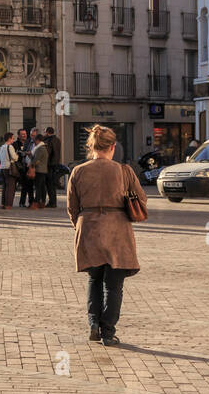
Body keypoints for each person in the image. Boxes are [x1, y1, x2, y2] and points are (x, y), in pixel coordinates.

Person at [67, 124, 146, 346]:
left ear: (90, 146)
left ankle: (93, 322)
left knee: (94, 279)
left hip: (88, 227)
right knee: (113, 285)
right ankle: (108, 331)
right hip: (117, 230)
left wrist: (80, 227)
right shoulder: (124, 171)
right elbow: (142, 199)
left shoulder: (78, 171)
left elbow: (72, 207)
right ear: (113, 147)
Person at [29, 131, 51, 210]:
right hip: (43, 170)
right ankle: (42, 202)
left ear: (38, 140)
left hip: (39, 170)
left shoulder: (40, 149)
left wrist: (30, 160)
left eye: (35, 140)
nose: (34, 142)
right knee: (42, 187)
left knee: (38, 187)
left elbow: (35, 160)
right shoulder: (44, 147)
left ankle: (36, 203)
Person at [0, 133, 18, 209]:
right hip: (9, 168)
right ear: (9, 139)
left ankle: (3, 203)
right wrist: (17, 155)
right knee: (10, 187)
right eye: (12, 138)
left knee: (5, 186)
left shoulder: (2, 147)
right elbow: (15, 158)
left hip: (2, 168)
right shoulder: (10, 147)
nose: (13, 140)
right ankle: (8, 204)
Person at [44, 127, 62, 207]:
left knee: (49, 184)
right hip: (55, 164)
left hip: (49, 165)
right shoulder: (57, 140)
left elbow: (48, 153)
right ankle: (53, 202)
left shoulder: (48, 141)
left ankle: (52, 202)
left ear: (47, 132)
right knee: (53, 184)